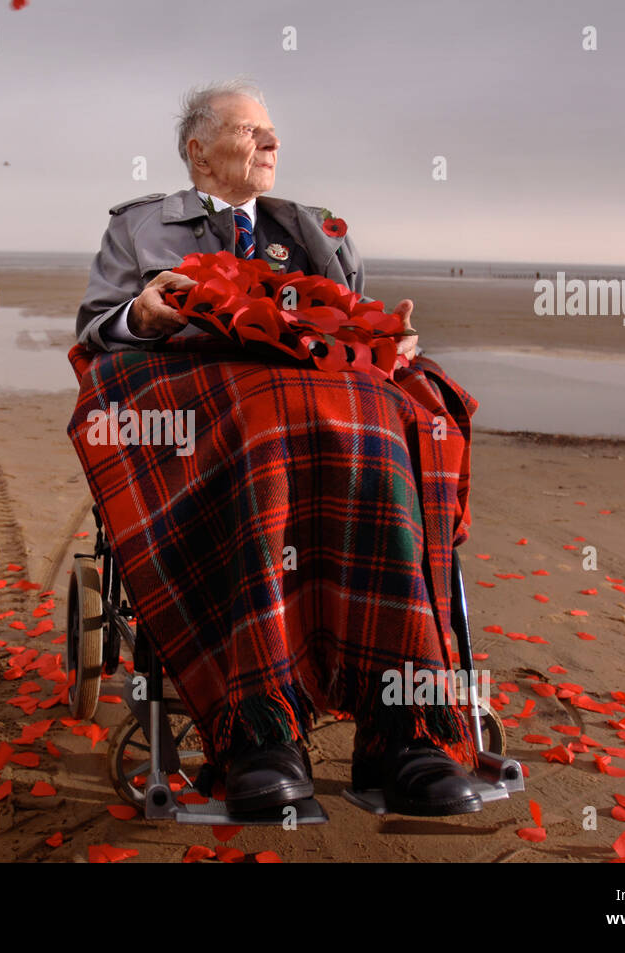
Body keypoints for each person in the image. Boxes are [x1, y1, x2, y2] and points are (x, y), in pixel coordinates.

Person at [67, 80, 482, 817]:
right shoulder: (138, 229)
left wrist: (393, 336)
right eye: (251, 130)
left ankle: (405, 727)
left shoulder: (315, 228)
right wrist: (144, 312)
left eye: (272, 132)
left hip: (313, 396)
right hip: (193, 396)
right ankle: (262, 733)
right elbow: (97, 327)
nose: (272, 143)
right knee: (263, 422)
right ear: (198, 150)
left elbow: (352, 318)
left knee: (388, 425)